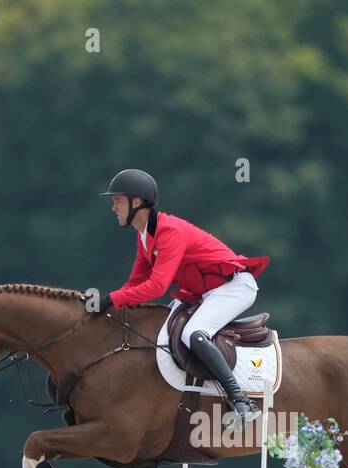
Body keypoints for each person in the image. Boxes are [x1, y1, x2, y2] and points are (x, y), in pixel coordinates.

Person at [97, 168, 271, 428]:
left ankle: (241, 401)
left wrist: (112, 298)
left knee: (194, 333)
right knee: (160, 333)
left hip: (234, 287)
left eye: (117, 201)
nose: (113, 208)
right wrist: (107, 306)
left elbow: (156, 287)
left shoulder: (169, 232)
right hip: (203, 292)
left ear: (137, 203)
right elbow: (135, 283)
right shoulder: (145, 236)